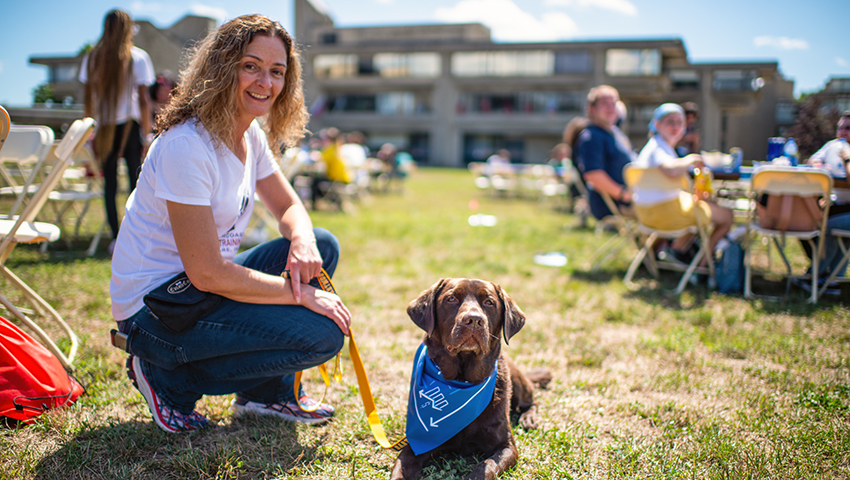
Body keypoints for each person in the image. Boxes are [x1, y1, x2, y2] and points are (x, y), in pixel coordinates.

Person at [110, 14, 351, 433]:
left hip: (199, 289)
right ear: (224, 67)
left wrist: (303, 238)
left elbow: (287, 204)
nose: (265, 82)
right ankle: (169, 379)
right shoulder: (187, 145)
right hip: (154, 309)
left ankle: (266, 394)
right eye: (251, 66)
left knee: (322, 246)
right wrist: (302, 298)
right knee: (320, 335)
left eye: (277, 71)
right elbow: (207, 272)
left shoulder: (249, 134)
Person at [80, 9, 156, 254]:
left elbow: (88, 100)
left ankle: (116, 237)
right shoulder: (137, 57)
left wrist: (88, 128)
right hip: (130, 127)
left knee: (109, 184)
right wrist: (147, 134)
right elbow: (144, 101)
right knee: (136, 184)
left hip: (104, 127)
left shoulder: (93, 58)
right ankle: (136, 237)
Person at [632, 103, 733, 260]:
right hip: (667, 214)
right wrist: (691, 159)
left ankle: (670, 254)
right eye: (670, 121)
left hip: (645, 213)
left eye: (680, 122)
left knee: (699, 202)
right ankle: (702, 266)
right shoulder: (659, 148)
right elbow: (670, 169)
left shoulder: (654, 147)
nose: (675, 126)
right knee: (726, 216)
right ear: (657, 124)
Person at [798, 111, 850, 294]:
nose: (843, 132)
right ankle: (829, 278)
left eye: (848, 128)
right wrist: (818, 164)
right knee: (804, 222)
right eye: (840, 128)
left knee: (825, 225)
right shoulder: (832, 146)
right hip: (837, 206)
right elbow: (813, 160)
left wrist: (847, 159)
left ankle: (819, 276)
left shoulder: (845, 153)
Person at [575, 85, 635, 220]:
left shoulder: (616, 133)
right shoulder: (592, 136)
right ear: (592, 108)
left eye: (614, 104)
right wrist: (623, 194)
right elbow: (593, 175)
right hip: (615, 204)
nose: (610, 108)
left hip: (634, 198)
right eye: (604, 104)